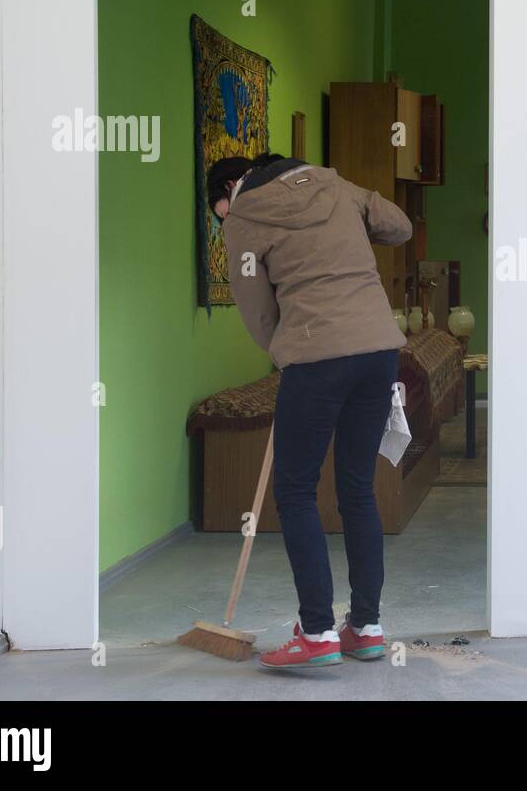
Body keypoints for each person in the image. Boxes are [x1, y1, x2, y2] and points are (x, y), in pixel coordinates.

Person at [207, 152, 412, 668]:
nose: (223, 219)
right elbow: (400, 226)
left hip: (315, 355)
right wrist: (356, 221)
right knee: (356, 487)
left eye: (219, 209)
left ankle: (318, 632)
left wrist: (283, 353)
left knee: (295, 490)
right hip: (379, 352)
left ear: (232, 187)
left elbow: (255, 308)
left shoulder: (246, 214)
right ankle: (365, 626)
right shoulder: (336, 184)